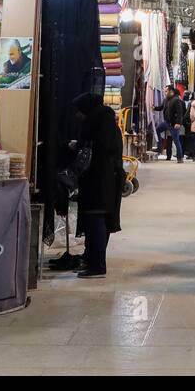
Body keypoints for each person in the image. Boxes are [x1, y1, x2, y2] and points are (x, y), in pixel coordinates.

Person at [69, 92, 125, 279]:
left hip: (100, 180)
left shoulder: (98, 125)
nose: (77, 115)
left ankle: (97, 265)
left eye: (79, 111)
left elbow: (98, 151)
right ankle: (92, 259)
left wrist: (78, 147)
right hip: (106, 179)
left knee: (96, 221)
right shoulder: (105, 122)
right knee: (99, 221)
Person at [159, 87, 187, 162]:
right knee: (157, 130)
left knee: (176, 140)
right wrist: (154, 108)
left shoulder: (176, 100)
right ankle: (159, 148)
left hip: (173, 124)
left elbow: (180, 112)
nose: (165, 93)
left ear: (171, 91)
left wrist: (178, 123)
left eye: (166, 91)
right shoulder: (166, 100)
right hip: (166, 122)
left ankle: (180, 157)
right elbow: (161, 107)